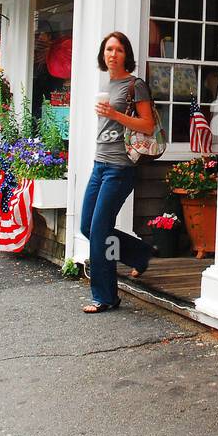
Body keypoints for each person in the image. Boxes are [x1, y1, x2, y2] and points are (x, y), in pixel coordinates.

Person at [79, 31, 156, 313]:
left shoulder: (135, 85)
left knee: (99, 231)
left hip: (120, 168)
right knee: (87, 226)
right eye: (109, 49)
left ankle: (105, 296)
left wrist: (114, 114)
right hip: (99, 164)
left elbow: (147, 125)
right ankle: (139, 253)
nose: (113, 54)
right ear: (103, 54)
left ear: (126, 55)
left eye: (119, 50)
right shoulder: (107, 85)